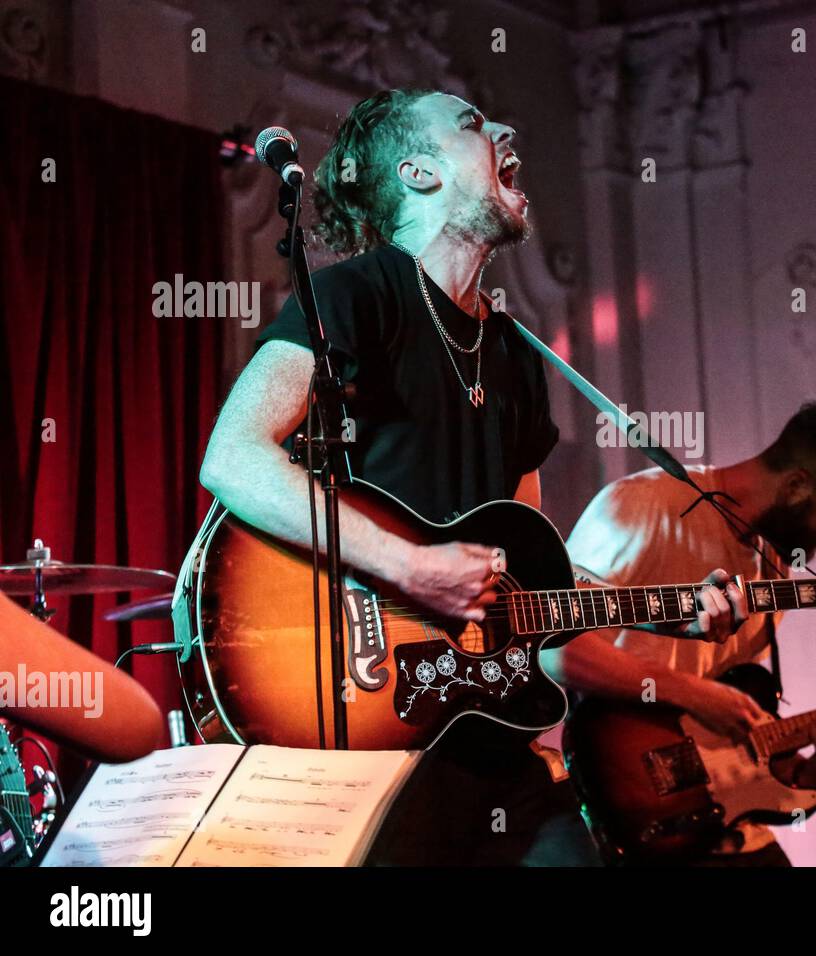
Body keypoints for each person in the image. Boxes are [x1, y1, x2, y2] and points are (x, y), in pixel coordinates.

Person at [199, 88, 741, 865]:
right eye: (472, 125)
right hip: (368, 729)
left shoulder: (519, 357)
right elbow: (234, 456)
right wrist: (411, 567)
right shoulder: (358, 295)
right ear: (418, 172)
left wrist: (666, 613)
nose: (508, 128)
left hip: (486, 737)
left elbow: (529, 583)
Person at [543, 399, 816, 865]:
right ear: (796, 486)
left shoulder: (772, 571)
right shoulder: (645, 507)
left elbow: (727, 715)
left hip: (710, 818)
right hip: (623, 802)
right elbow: (555, 649)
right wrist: (693, 693)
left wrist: (806, 771)